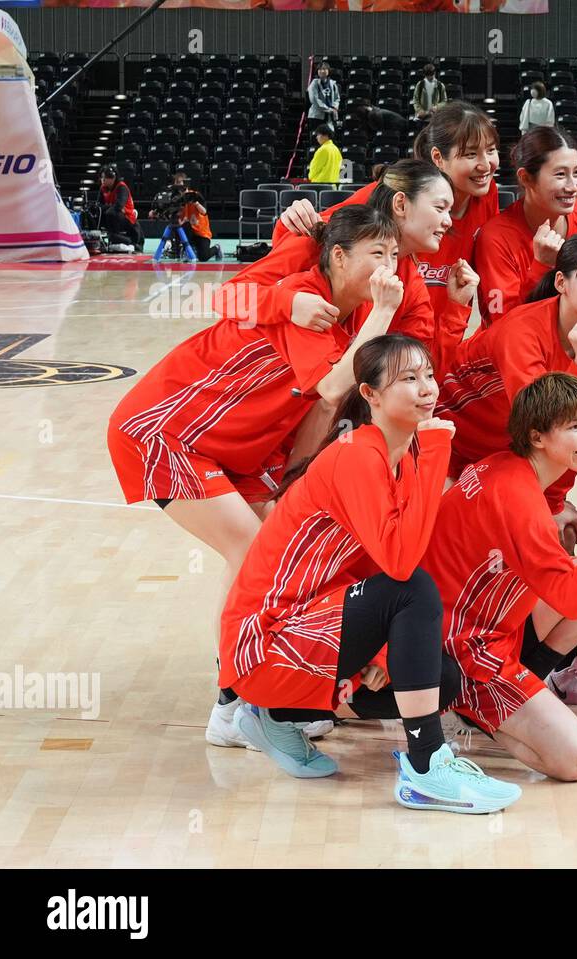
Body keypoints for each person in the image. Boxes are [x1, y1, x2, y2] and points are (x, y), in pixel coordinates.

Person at [107, 207, 410, 747]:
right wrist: (382, 315)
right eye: (377, 255)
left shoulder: (341, 316)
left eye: (394, 256)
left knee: (280, 552)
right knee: (253, 555)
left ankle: (262, 693)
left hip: (227, 448)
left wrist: (289, 478)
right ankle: (234, 706)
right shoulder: (307, 298)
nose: (391, 268)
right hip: (163, 430)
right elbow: (332, 383)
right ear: (339, 257)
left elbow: (319, 407)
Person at [220, 333, 522, 811]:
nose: (426, 388)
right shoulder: (358, 454)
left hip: (313, 621)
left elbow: (388, 562)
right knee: (413, 588)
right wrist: (439, 450)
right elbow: (401, 567)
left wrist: (381, 650)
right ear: (370, 395)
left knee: (440, 679)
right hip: (266, 640)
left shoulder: (404, 455)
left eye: (428, 375)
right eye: (408, 379)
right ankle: (427, 767)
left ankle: (279, 714)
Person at [423, 372, 577, 781]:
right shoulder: (519, 501)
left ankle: (512, 693)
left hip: (467, 627)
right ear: (536, 437)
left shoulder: (502, 467)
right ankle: (475, 704)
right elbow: (569, 598)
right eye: (574, 427)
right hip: (467, 650)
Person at [437, 232, 577, 547]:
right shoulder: (521, 331)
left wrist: (554, 501)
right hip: (455, 440)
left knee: (558, 534)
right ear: (560, 283)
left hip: (511, 446)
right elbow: (538, 421)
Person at [273, 103, 498, 370]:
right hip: (362, 343)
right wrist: (292, 221)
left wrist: (459, 313)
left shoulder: (485, 196)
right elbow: (314, 232)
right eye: (471, 154)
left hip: (420, 336)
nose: (485, 165)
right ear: (438, 157)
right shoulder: (386, 196)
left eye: (492, 150)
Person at [223, 159, 475, 379]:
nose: (448, 221)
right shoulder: (321, 240)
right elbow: (228, 296)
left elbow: (422, 372)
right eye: (440, 208)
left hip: (297, 405)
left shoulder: (410, 287)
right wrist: (289, 304)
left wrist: (456, 308)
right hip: (231, 382)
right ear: (400, 204)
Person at [473, 126, 577, 325]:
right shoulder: (495, 238)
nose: (573, 187)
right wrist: (541, 266)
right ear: (526, 178)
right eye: (560, 174)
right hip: (517, 349)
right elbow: (504, 322)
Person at [151, 170, 219, 262]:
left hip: (201, 232)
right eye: (176, 184)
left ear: (186, 184)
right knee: (182, 226)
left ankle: (217, 248)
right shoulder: (174, 199)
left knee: (203, 257)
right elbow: (168, 213)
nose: (178, 186)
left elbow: (204, 212)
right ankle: (185, 249)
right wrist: (156, 212)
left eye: (180, 183)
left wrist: (195, 202)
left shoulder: (195, 195)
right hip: (186, 230)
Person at [97, 165, 144, 250]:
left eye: (105, 178)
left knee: (111, 212)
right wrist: (109, 206)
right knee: (98, 212)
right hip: (113, 217)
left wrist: (107, 207)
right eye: (102, 177)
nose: (102, 180)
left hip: (127, 217)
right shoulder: (103, 188)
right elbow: (99, 205)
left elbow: (119, 206)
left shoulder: (121, 187)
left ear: (113, 178)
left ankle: (130, 242)